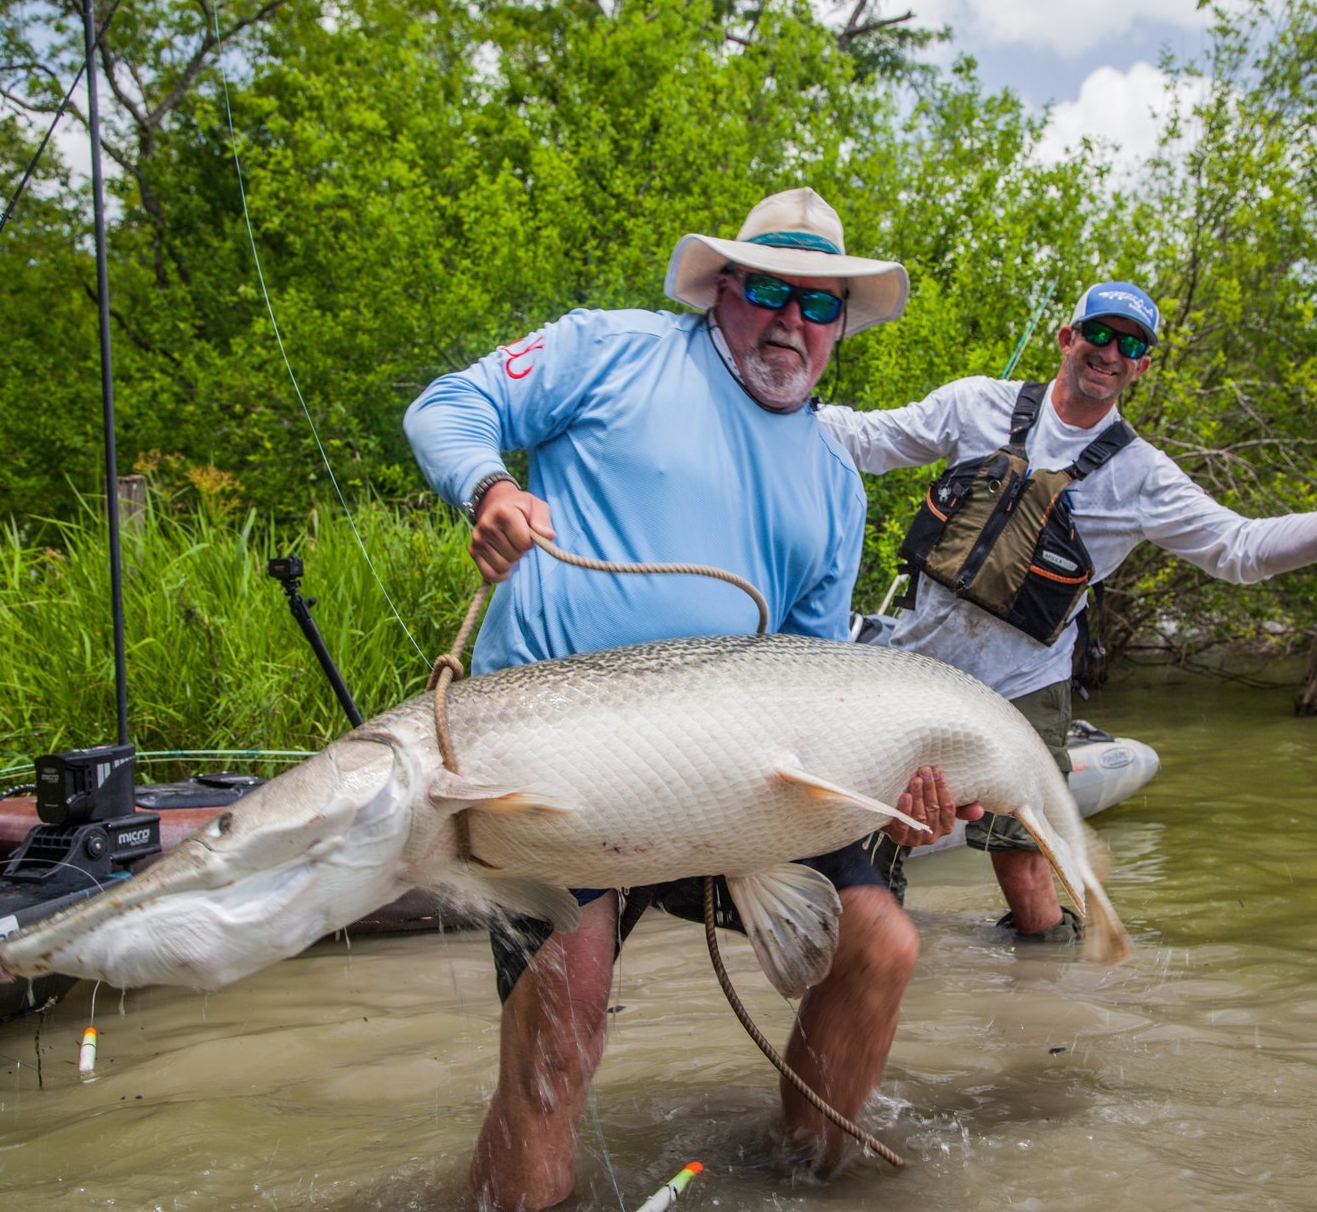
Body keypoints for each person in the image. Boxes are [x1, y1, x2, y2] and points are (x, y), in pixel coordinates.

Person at [404, 188, 969, 1210]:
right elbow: (449, 405)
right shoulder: (607, 349)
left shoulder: (838, 487)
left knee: (880, 937)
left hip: (733, 781)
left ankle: (798, 1181)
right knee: (560, 1035)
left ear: (842, 324)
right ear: (721, 289)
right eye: (768, 289)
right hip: (556, 768)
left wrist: (894, 805)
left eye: (821, 302)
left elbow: (817, 683)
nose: (792, 319)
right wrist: (487, 488)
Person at [819, 280, 1317, 942]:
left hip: (1025, 687)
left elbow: (1239, 549)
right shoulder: (975, 405)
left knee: (1022, 863)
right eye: (1099, 334)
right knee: (874, 835)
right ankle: (877, 961)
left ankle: (1044, 991)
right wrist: (781, 408)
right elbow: (869, 439)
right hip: (920, 669)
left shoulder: (1143, 475)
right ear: (1067, 339)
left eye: (1130, 344)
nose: (1110, 352)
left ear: (1142, 365)